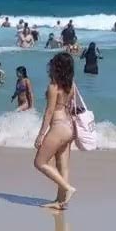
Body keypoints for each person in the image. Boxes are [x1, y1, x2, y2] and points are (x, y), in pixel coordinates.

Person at [33, 53, 78, 210]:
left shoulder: (53, 87)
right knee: (62, 166)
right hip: (69, 126)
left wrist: (41, 134)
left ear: (56, 67)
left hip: (58, 126)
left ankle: (67, 188)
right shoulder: (71, 85)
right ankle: (61, 201)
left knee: (39, 162)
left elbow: (49, 112)